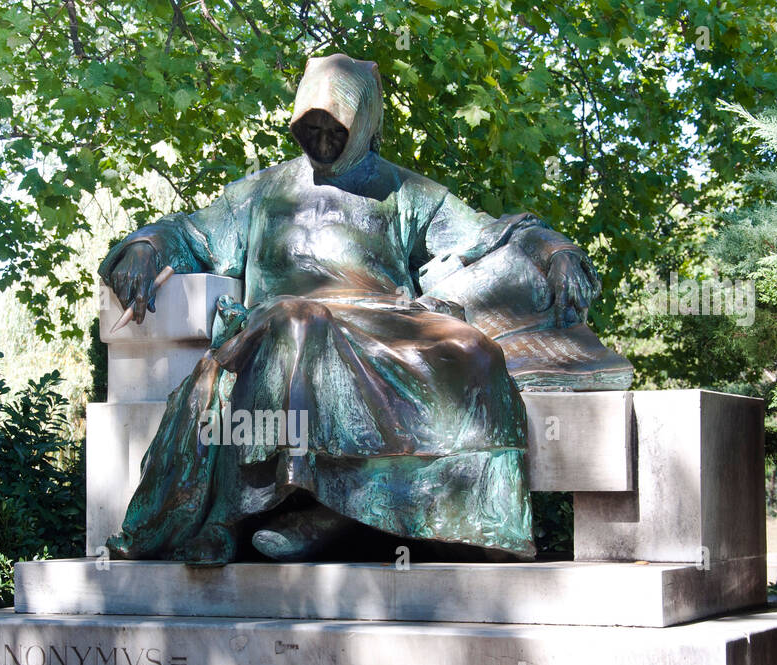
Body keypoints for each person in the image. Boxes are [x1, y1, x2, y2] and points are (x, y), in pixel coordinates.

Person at [99, 53, 599, 566]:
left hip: (385, 323)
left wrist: (554, 251)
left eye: (333, 130)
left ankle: (349, 519)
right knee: (300, 324)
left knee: (472, 349)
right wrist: (144, 247)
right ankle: (264, 510)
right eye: (309, 129)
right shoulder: (263, 191)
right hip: (286, 321)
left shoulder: (407, 191)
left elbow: (489, 235)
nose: (320, 143)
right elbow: (190, 232)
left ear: (363, 126)